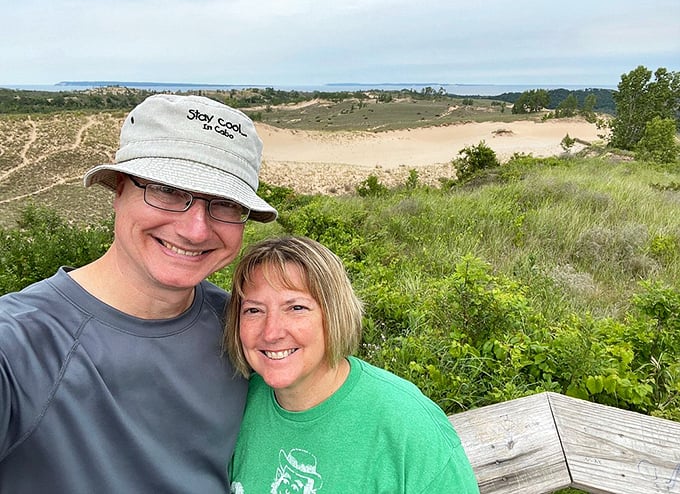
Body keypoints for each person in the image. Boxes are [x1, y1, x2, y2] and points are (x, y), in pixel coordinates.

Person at [0, 94, 278, 493]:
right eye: (167, 190)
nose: (195, 230)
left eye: (225, 203)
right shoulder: (19, 345)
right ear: (118, 190)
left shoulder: (248, 329)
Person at [223, 235, 480, 493]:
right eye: (254, 310)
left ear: (335, 314)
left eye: (297, 307)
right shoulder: (236, 404)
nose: (271, 332)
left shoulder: (407, 427)